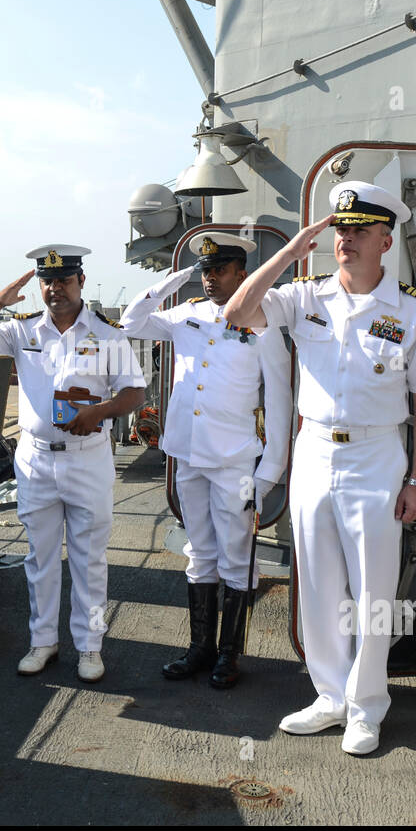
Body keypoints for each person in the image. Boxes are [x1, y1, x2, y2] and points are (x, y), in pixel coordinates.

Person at [224, 182, 416, 755]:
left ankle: (367, 705)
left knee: (374, 587)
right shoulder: (305, 296)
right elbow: (237, 312)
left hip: (377, 455)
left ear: (385, 237)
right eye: (339, 229)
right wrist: (287, 253)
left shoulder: (412, 310)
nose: (345, 238)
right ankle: (330, 696)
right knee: (319, 584)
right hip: (315, 451)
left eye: (358, 230)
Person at [0, 246, 146, 683]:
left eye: (63, 280)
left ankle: (91, 646)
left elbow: (135, 393)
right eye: (48, 281)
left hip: (88, 461)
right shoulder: (22, 330)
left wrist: (100, 412)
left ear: (80, 281)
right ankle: (43, 642)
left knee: (90, 560)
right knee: (39, 558)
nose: (54, 288)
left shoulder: (107, 334)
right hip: (36, 460)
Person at [119, 231, 291, 688]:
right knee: (199, 553)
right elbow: (133, 322)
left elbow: (279, 398)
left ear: (242, 273)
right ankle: (199, 648)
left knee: (236, 557)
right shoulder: (186, 314)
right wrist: (173, 281)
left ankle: (229, 656)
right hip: (188, 453)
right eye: (206, 271)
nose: (211, 278)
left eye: (219, 270)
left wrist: (271, 469)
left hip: (235, 459)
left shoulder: (263, 325)